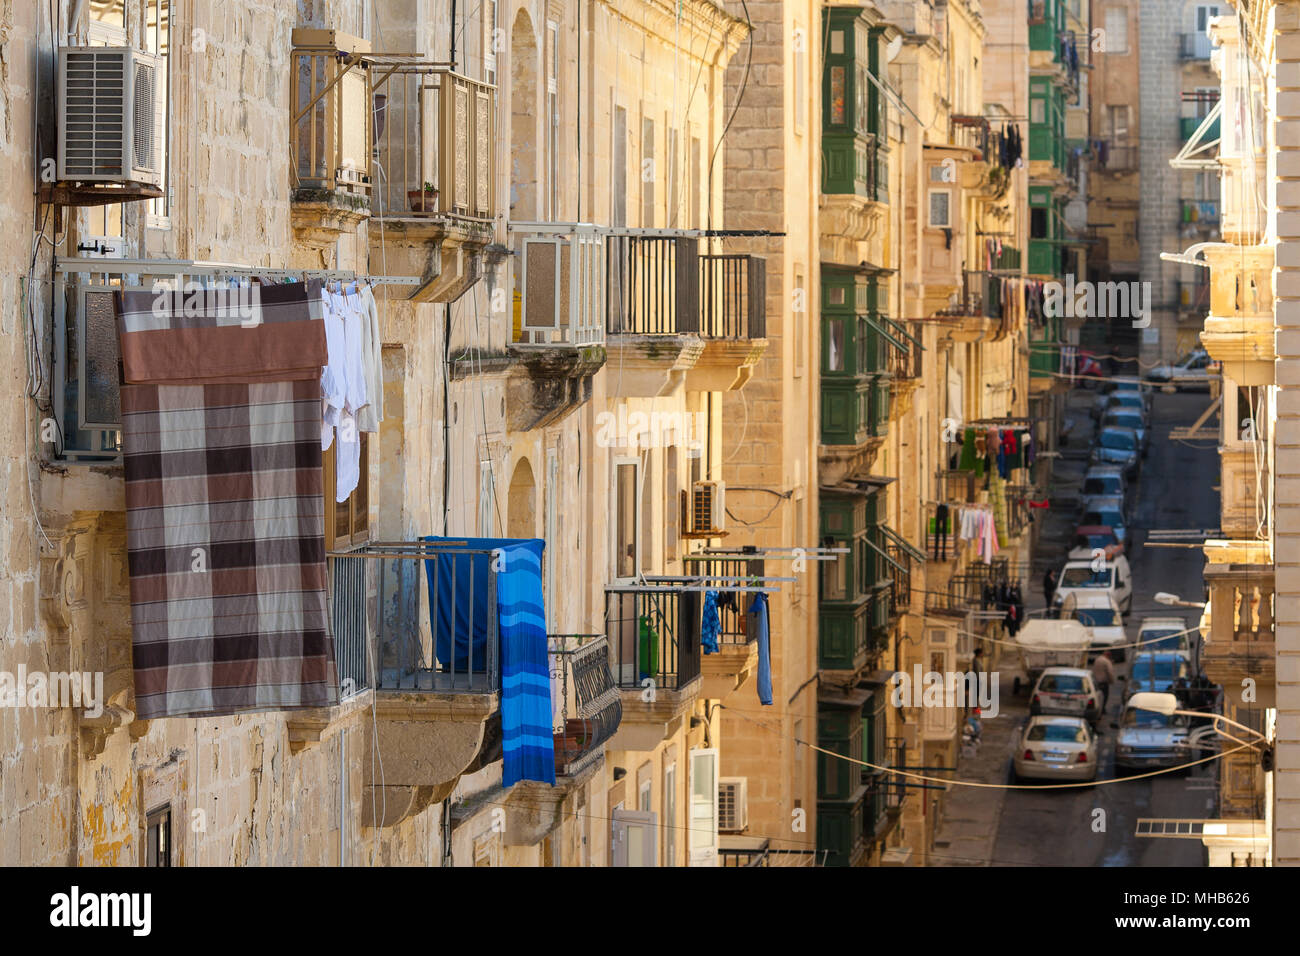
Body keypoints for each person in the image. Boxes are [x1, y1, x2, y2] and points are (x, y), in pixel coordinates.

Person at [1091, 650, 1115, 716]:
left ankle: (1098, 707)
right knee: (1105, 696)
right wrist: (1112, 681)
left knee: (1098, 696)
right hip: (1104, 682)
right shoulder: (1107, 662)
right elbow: (1110, 672)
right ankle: (1102, 709)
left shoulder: (1097, 659)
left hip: (1096, 681)